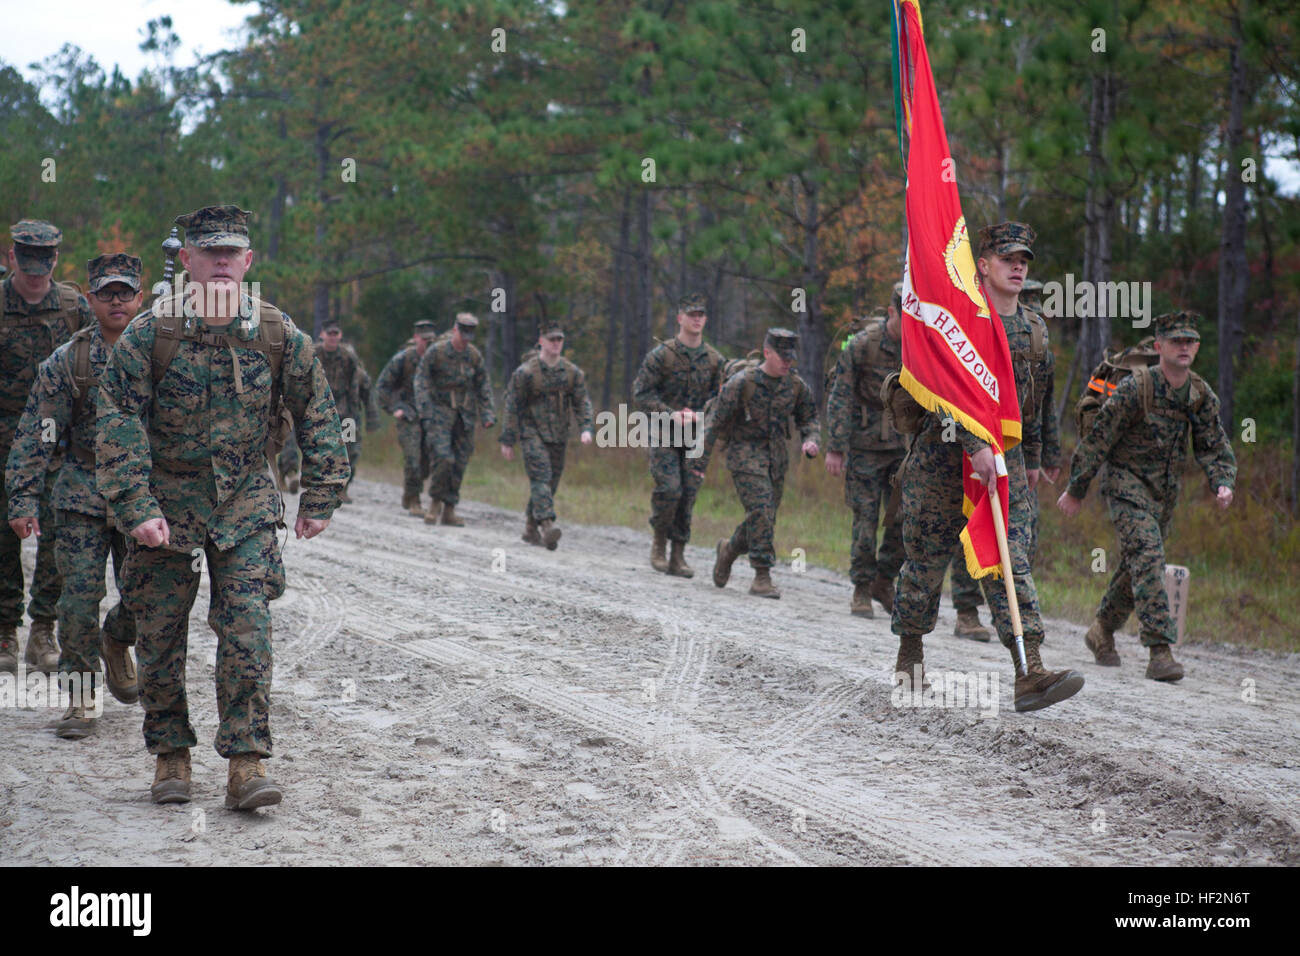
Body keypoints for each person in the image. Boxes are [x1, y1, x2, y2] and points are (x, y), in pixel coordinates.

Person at [97, 204, 349, 809]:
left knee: (247, 630)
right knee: (160, 636)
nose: (220, 263)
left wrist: (322, 493)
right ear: (187, 261)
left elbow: (317, 410)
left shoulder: (275, 332)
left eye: (230, 253)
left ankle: (246, 762)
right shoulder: (150, 333)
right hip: (165, 501)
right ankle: (171, 757)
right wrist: (136, 505)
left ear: (247, 262)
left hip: (244, 501)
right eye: (208, 253)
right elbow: (117, 419)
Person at [890, 222, 1083, 712]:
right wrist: (972, 442)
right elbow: (937, 392)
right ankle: (910, 657)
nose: (1018, 267)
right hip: (941, 462)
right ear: (983, 264)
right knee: (925, 564)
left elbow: (1036, 405)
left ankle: (1029, 669)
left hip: (1004, 465)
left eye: (1024, 261)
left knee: (1009, 562)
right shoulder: (953, 321)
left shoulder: (1034, 329)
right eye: (1008, 259)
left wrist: (1037, 458)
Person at [6, 254, 144, 737]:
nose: (116, 301)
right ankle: (82, 698)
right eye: (106, 293)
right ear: (90, 300)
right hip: (82, 492)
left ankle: (117, 640)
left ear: (140, 298)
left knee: (146, 597)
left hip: (141, 497)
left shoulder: (161, 353)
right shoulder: (68, 360)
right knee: (78, 603)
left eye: (125, 292)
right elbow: (35, 433)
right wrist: (22, 500)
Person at [1057, 311, 1236, 681]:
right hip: (1126, 485)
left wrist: (1222, 481)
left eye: (1190, 342)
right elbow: (1099, 439)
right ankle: (1159, 651)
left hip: (1164, 495)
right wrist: (1077, 488)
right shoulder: (1137, 388)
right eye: (1176, 342)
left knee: (1136, 564)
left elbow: (1214, 444)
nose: (1183, 347)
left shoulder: (1200, 394)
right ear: (1159, 347)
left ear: (1197, 347)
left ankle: (1101, 630)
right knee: (1149, 556)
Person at [0, 219, 88, 675]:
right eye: (27, 264)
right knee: (2, 539)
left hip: (59, 446)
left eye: (44, 265)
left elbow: (98, 364)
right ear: (11, 257)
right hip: (3, 444)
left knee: (58, 538)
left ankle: (42, 630)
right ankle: (3, 631)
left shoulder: (75, 307)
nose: (35, 275)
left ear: (55, 259)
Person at [705, 328, 819, 599]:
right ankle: (762, 575)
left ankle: (729, 550)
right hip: (744, 453)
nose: (788, 363)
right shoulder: (742, 383)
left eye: (791, 358)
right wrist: (699, 460)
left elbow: (810, 418)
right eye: (783, 358)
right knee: (761, 510)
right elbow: (715, 422)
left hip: (777, 459)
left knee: (764, 516)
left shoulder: (795, 386)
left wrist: (811, 439)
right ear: (767, 353)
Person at [633, 292, 725, 577]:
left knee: (689, 495)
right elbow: (641, 394)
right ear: (680, 318)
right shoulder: (661, 356)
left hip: (696, 437)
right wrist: (670, 413)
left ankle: (678, 554)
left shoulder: (714, 361)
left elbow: (720, 399)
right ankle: (659, 544)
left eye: (701, 315)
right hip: (664, 434)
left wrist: (699, 414)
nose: (697, 320)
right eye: (692, 315)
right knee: (670, 489)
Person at [824, 296, 905, 617]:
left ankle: (883, 581)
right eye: (905, 316)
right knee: (866, 520)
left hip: (902, 447)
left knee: (903, 518)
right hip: (863, 447)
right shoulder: (861, 346)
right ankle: (860, 588)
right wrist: (836, 447)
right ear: (891, 312)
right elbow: (840, 395)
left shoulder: (922, 347)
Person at [499, 322, 594, 549]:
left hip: (559, 435)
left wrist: (586, 428)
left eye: (559, 340)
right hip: (532, 432)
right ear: (541, 341)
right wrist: (508, 439)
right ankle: (547, 526)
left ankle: (531, 529)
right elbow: (513, 407)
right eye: (551, 340)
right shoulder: (526, 373)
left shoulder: (572, 373)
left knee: (550, 483)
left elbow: (582, 402)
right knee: (541, 477)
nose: (556, 344)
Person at [414, 312, 495, 526]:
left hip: (465, 416)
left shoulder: (474, 356)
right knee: (443, 458)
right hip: (439, 413)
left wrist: (487, 414)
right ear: (455, 329)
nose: (466, 337)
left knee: (459, 462)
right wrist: (425, 409)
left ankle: (449, 509)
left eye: (470, 333)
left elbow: (483, 386)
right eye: (463, 332)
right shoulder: (437, 352)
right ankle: (435, 503)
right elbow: (421, 380)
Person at [377, 320, 437, 515]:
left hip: (429, 417)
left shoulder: (436, 361)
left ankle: (409, 492)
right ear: (416, 338)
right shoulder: (403, 359)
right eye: (425, 339)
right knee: (413, 459)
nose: (428, 343)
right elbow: (383, 387)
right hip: (408, 415)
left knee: (427, 462)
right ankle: (415, 501)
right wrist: (394, 408)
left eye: (431, 340)